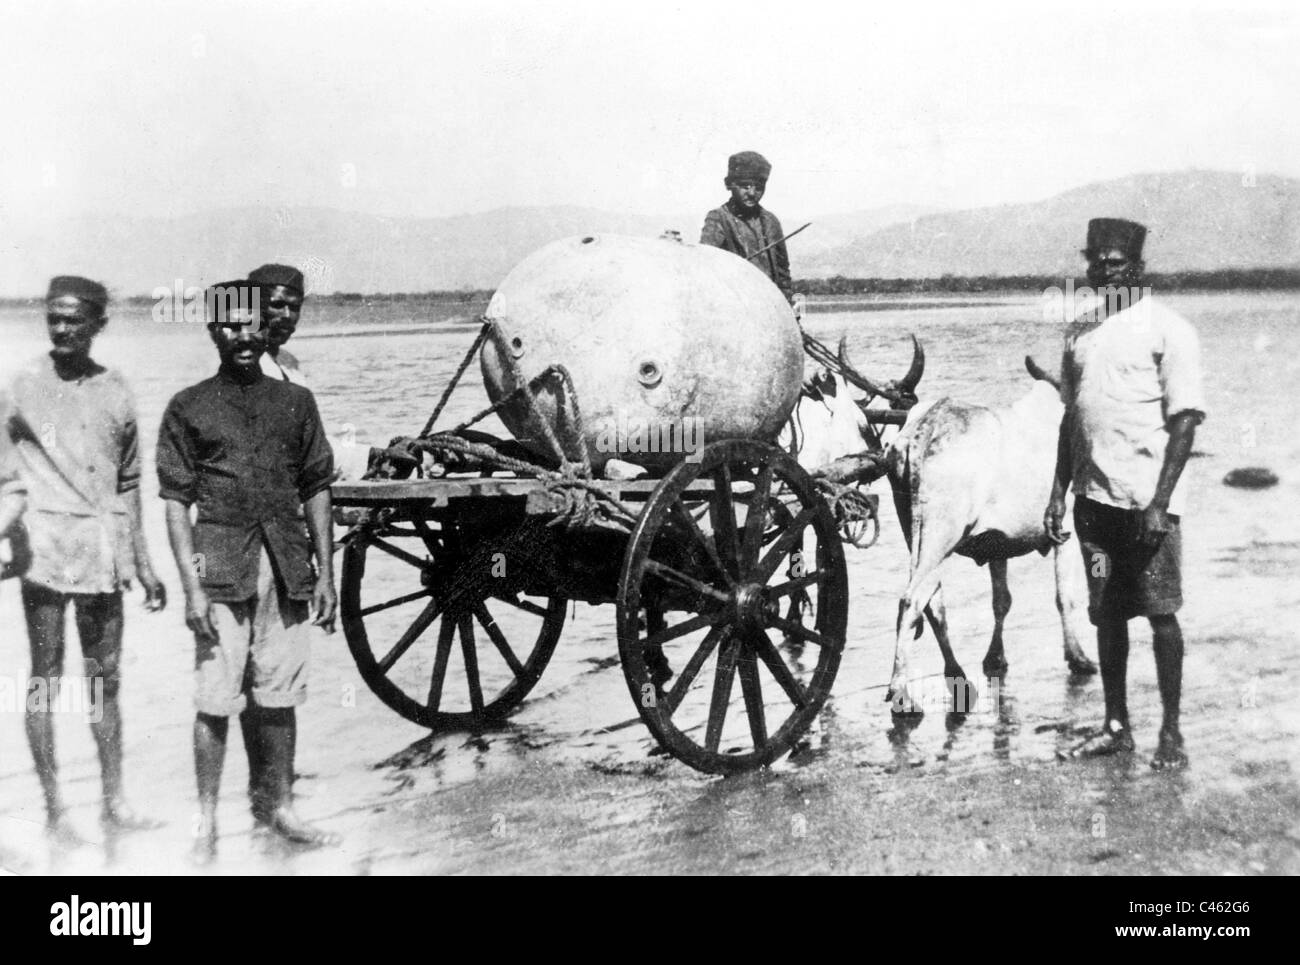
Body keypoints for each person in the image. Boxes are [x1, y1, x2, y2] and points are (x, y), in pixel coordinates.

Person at [157, 280, 340, 861]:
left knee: (279, 696)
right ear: (213, 331)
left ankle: (281, 808)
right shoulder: (188, 406)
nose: (242, 336)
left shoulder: (297, 403)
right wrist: (191, 589)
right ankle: (206, 821)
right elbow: (174, 503)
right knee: (215, 700)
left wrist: (326, 575)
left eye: (252, 325)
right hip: (220, 573)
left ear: (268, 329)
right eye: (229, 326)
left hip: (285, 568)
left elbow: (316, 488)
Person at [3, 275, 167, 839]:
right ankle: (53, 811)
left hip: (102, 556)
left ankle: (113, 802)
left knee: (106, 680)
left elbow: (128, 484)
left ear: (99, 323)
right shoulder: (21, 385)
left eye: (74, 318)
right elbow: (3, 476)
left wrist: (144, 564)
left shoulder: (116, 389)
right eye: (54, 317)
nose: (62, 328)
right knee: (46, 680)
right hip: (45, 556)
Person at [1044, 218, 1206, 770]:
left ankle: (1172, 734)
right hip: (1094, 504)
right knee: (1106, 615)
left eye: (1115, 262)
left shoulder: (1169, 329)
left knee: (1161, 615)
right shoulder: (1080, 332)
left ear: (1136, 267)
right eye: (1097, 261)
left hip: (1147, 503)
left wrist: (1161, 502)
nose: (1104, 270)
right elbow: (1072, 421)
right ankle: (1116, 725)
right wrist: (1056, 494)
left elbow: (1184, 423)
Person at [700, 150, 794, 303]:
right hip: (737, 307)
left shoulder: (771, 222)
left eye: (758, 187)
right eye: (745, 186)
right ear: (729, 184)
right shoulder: (718, 219)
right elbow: (707, 269)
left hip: (771, 306)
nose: (752, 193)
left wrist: (789, 311)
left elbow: (783, 277)